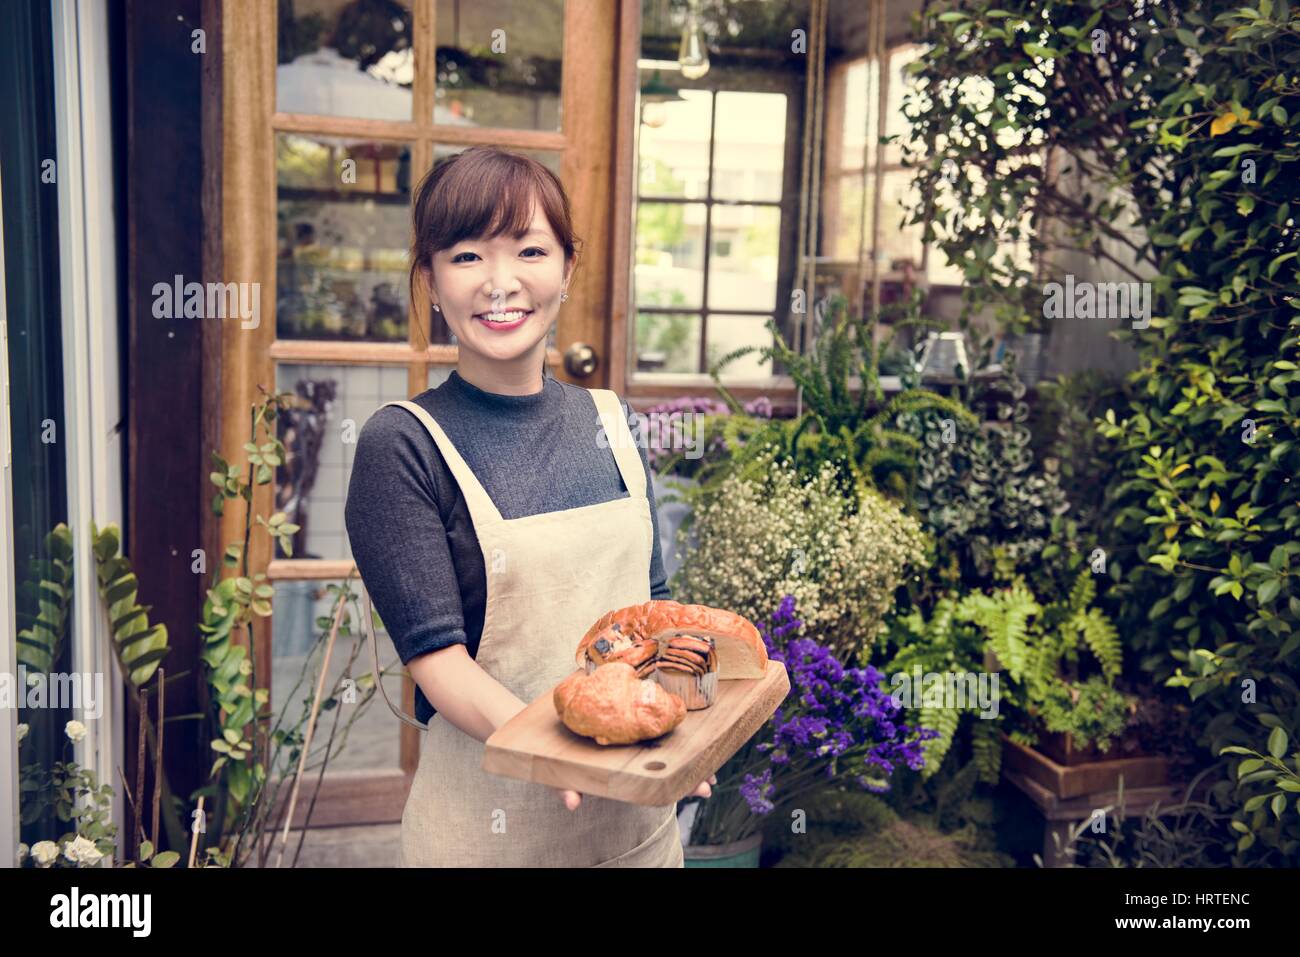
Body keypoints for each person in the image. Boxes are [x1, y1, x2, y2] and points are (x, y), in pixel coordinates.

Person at [345, 146, 713, 867]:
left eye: (529, 249)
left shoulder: (611, 420)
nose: (501, 282)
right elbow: (437, 659)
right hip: (486, 837)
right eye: (467, 255)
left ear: (568, 268)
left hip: (638, 836)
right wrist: (565, 751)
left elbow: (654, 608)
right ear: (429, 279)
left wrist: (689, 730)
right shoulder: (403, 445)